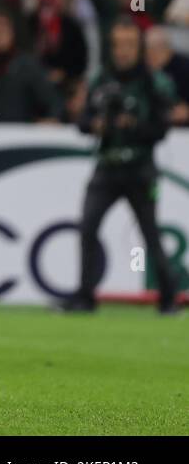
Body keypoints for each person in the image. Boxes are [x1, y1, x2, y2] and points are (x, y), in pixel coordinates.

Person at [60, 21, 180, 314]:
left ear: (138, 48)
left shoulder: (153, 82)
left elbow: (161, 128)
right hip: (107, 166)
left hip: (140, 169)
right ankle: (85, 296)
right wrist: (97, 125)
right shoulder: (101, 79)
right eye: (118, 44)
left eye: (129, 45)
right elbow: (83, 122)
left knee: (150, 233)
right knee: (87, 227)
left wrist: (134, 126)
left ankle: (168, 297)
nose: (123, 51)